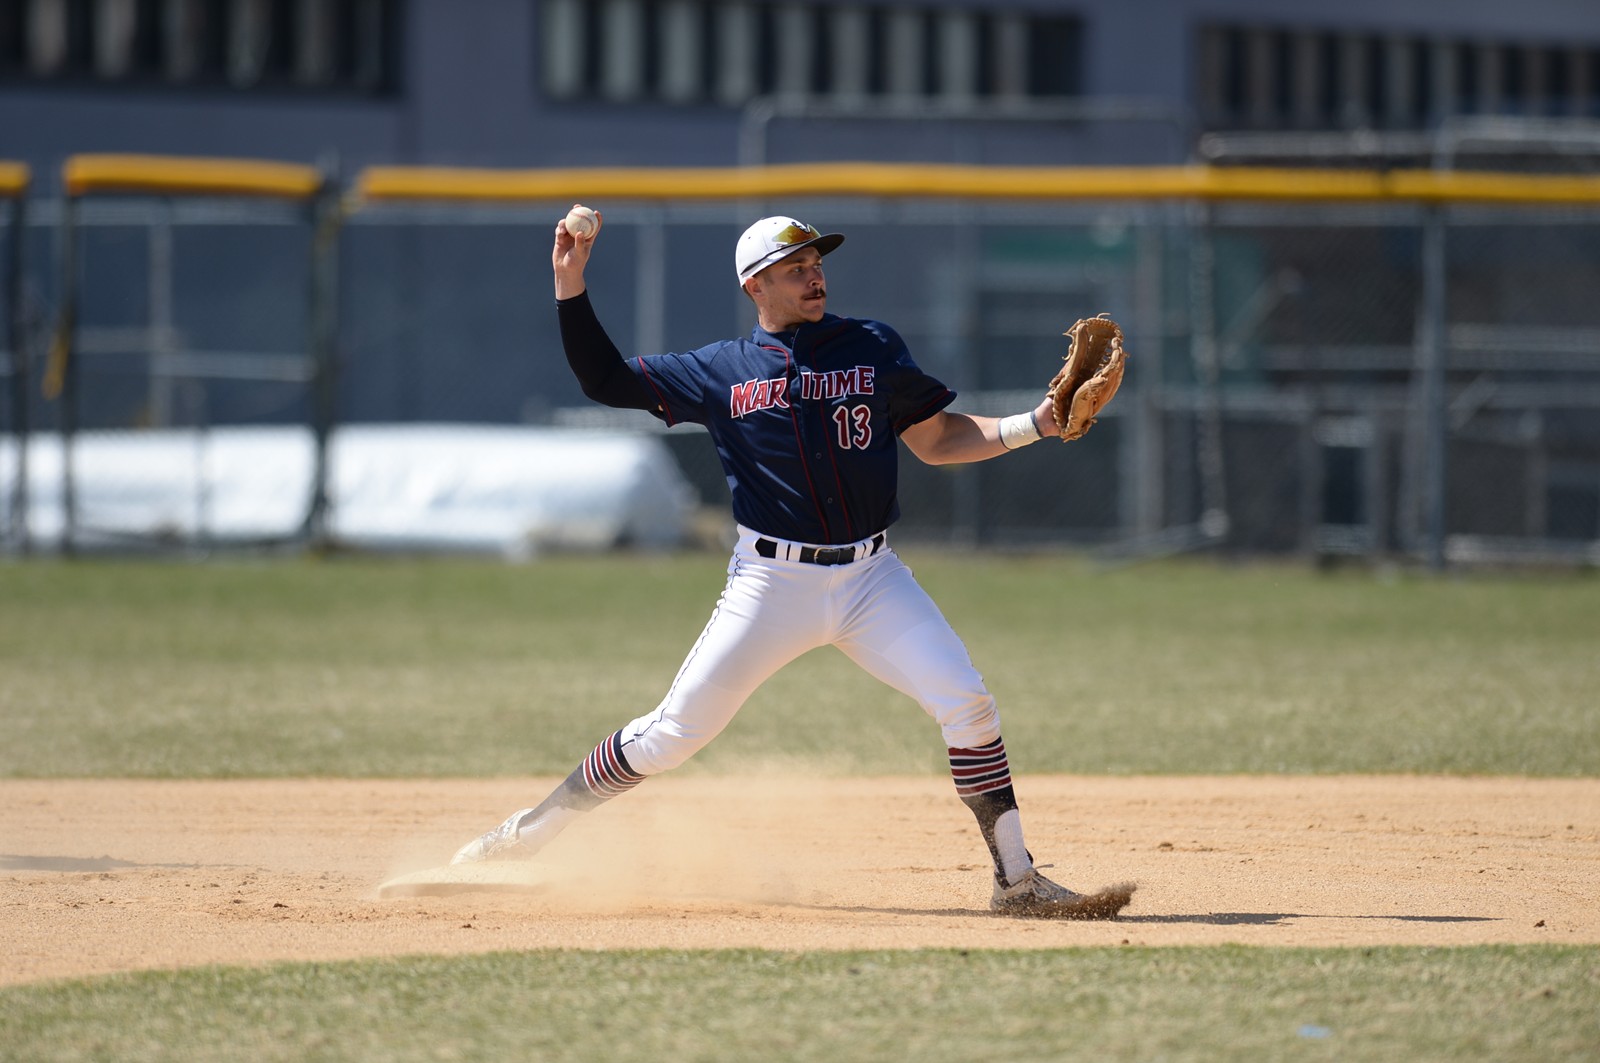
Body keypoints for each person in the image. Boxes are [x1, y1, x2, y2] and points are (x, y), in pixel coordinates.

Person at [450, 209, 1133, 919]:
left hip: (872, 578)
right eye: (795, 267)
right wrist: (570, 284)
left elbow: (937, 438)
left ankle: (1017, 883)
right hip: (772, 583)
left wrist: (1037, 423)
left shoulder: (870, 345)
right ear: (756, 285)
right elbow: (604, 380)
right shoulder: (720, 371)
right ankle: (522, 838)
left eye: (816, 261)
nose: (815, 274)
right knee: (671, 734)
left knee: (967, 702)